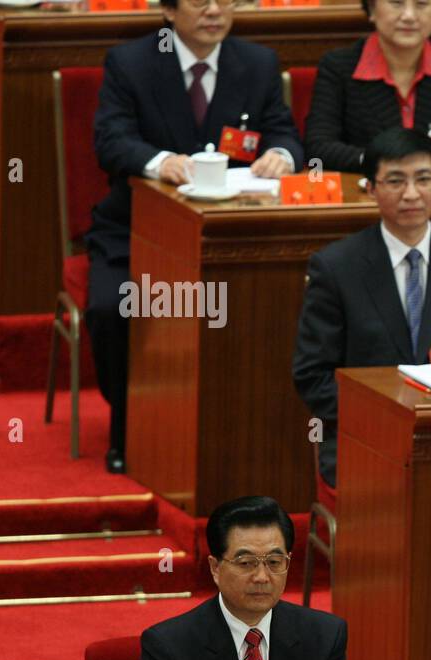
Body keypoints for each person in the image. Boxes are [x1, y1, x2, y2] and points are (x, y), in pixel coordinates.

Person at [86, 0, 302, 473]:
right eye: (201, 0)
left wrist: (282, 156)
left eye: (226, 0)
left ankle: (248, 433)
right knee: (111, 306)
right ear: (167, 10)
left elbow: (284, 133)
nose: (214, 10)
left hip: (235, 236)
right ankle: (129, 423)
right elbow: (110, 140)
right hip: (137, 232)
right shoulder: (131, 62)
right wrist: (159, 162)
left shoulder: (257, 62)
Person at [293, 128, 431, 487]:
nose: (411, 194)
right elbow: (313, 375)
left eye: (423, 179)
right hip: (365, 438)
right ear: (371, 188)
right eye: (395, 180)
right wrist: (384, 419)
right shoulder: (336, 267)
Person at [141, 496, 362, 660]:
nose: (261, 577)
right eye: (246, 563)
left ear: (288, 563)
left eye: (274, 562)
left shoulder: (323, 635)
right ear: (215, 568)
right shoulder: (170, 644)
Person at [305, 0, 431, 173]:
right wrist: (379, 163)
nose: (409, 16)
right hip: (368, 197)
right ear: (371, 9)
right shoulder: (339, 67)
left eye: (422, 4)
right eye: (396, 3)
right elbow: (318, 148)